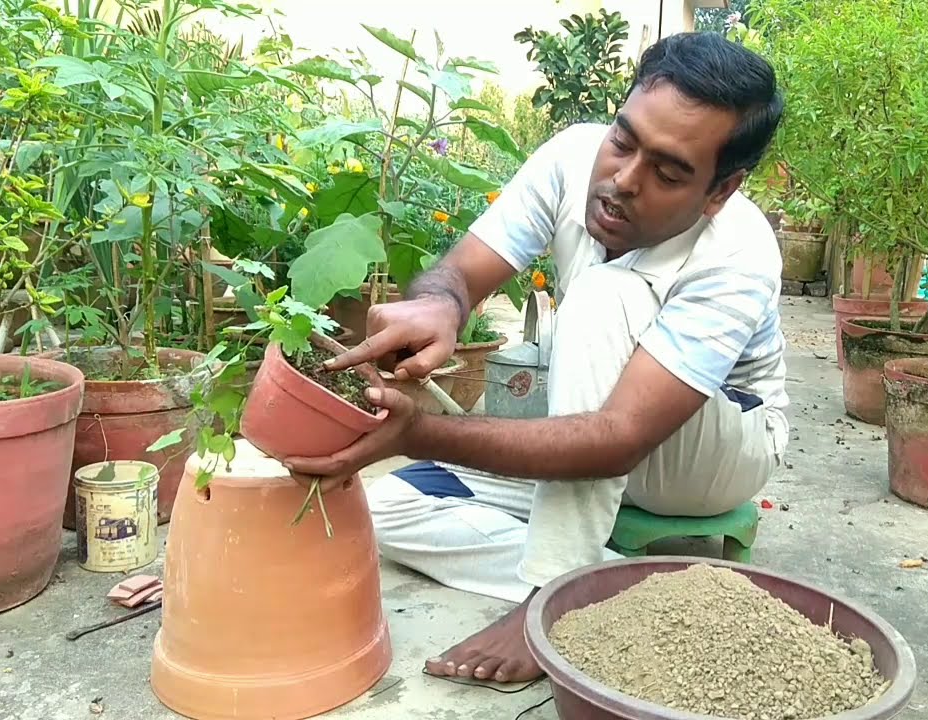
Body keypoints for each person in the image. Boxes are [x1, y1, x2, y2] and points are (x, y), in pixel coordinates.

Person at [283, 31, 789, 685]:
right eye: (624, 140)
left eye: (667, 173)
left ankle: (552, 595)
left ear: (720, 191)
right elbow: (459, 276)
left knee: (605, 293)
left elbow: (618, 440)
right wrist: (440, 305)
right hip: (598, 425)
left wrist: (419, 434)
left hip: (708, 452)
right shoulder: (574, 158)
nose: (623, 180)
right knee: (384, 512)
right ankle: (613, 583)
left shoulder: (739, 251)